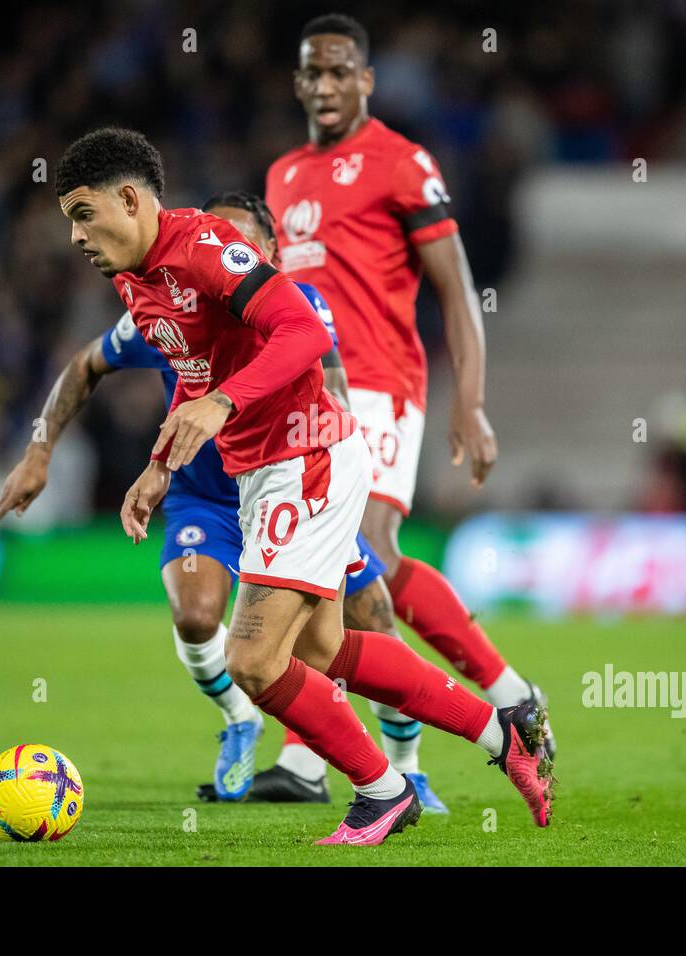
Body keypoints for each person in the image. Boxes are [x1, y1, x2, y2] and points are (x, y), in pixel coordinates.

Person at [49, 125, 551, 844]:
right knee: (325, 653)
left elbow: (304, 331)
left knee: (253, 658)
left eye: (81, 213)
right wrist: (160, 465)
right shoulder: (135, 278)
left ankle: (382, 791)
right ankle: (505, 736)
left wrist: (224, 403)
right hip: (263, 471)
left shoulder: (203, 248)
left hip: (306, 458)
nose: (74, 235)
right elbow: (194, 373)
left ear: (129, 199)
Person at [0, 190, 448, 812]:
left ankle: (406, 769)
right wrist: (39, 451)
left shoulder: (300, 307)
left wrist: (341, 478)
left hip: (297, 488)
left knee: (368, 619)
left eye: (242, 242)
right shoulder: (165, 300)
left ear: (267, 253)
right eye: (218, 237)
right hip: (208, 501)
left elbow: (334, 387)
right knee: (198, 617)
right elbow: (84, 366)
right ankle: (242, 720)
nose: (228, 251)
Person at [266, 14, 554, 754]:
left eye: (340, 73)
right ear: (298, 83)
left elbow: (458, 289)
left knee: (366, 552)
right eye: (313, 73)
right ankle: (319, 757)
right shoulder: (283, 175)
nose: (325, 87)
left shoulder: (401, 162)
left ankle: (419, 755)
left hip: (380, 386)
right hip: (308, 398)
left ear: (366, 79)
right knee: (338, 569)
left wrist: (473, 401)